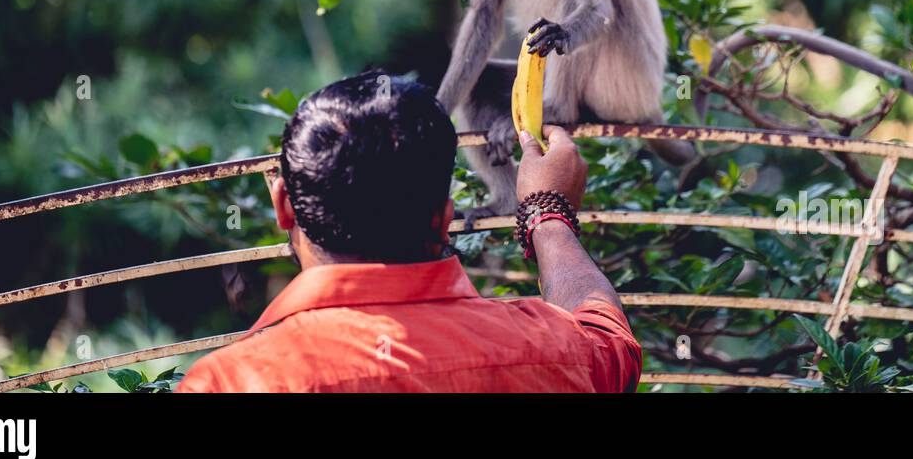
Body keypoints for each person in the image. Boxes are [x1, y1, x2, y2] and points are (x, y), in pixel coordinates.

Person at [177, 71, 641, 392]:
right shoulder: (555, 355)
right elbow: (609, 341)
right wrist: (547, 213)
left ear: (283, 206)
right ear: (444, 217)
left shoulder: (228, 381)